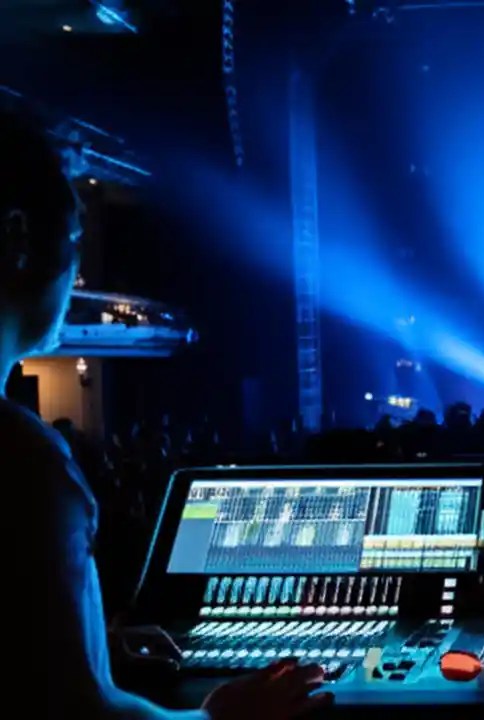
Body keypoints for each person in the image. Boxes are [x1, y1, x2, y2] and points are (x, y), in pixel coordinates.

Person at [0, 109, 332, 717]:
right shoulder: (19, 462)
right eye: (75, 243)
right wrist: (216, 716)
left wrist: (101, 647)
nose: (79, 277)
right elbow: (82, 714)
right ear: (17, 240)